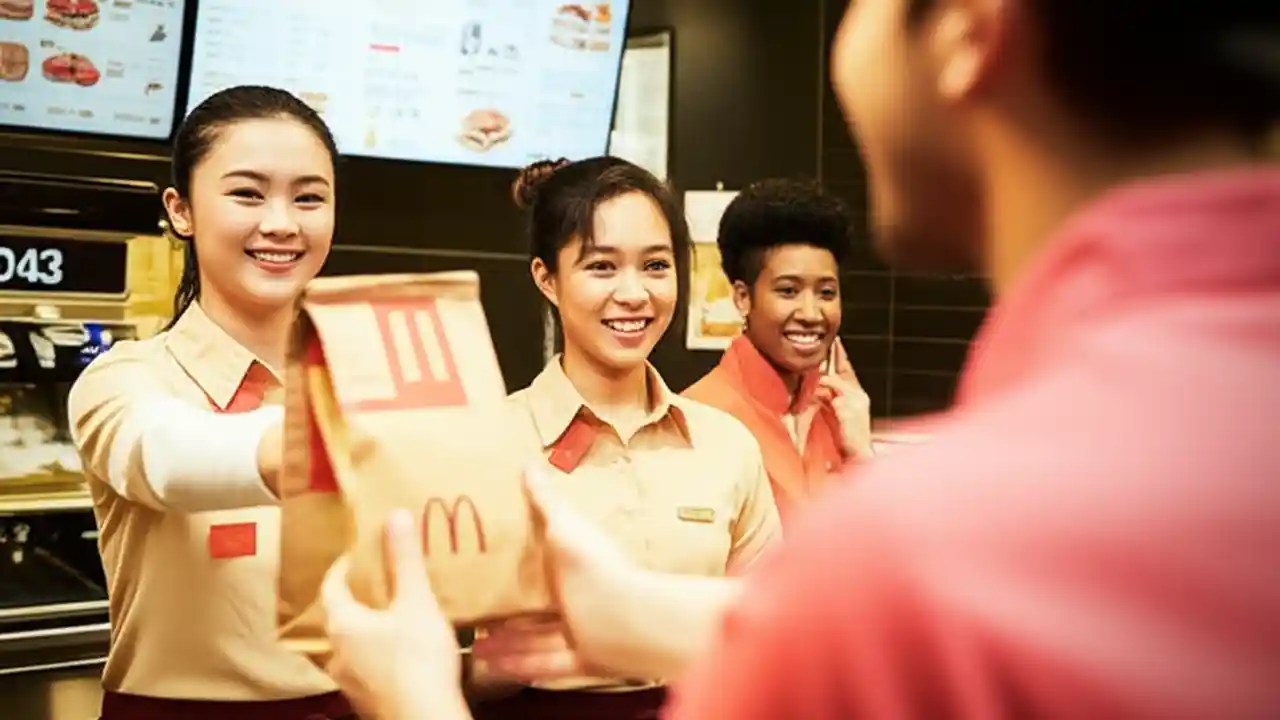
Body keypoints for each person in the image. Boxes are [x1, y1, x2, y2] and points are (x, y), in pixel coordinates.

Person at [320, 0, 1280, 717]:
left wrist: (415, 700)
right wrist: (647, 619)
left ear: (969, 32)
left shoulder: (916, 543)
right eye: (600, 265)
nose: (631, 291)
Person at [67, 86, 354, 719]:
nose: (282, 223)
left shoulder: (367, 377)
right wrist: (308, 442)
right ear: (181, 209)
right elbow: (162, 456)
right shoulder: (125, 380)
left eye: (309, 197)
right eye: (247, 193)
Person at [465, 157, 781, 720]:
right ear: (546, 278)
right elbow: (420, 659)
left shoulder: (726, 445)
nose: (634, 294)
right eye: (602, 267)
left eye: (656, 265)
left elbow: (770, 627)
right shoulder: (486, 442)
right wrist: (491, 669)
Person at [683, 178, 873, 522]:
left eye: (827, 293)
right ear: (743, 297)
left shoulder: (840, 412)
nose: (812, 314)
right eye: (788, 291)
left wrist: (861, 454)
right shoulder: (698, 418)